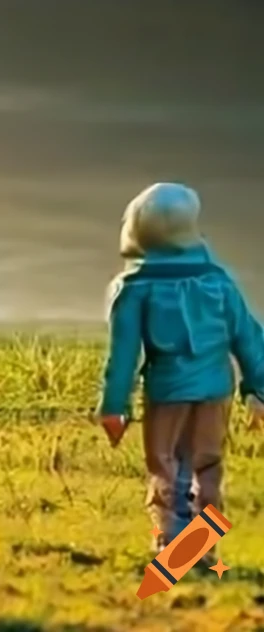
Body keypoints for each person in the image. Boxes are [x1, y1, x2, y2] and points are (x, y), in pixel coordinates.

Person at [97, 182, 264, 557]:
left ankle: (173, 540)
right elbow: (249, 338)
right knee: (207, 464)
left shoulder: (134, 289)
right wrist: (259, 387)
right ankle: (202, 548)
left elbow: (122, 356)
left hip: (167, 391)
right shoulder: (219, 282)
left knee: (167, 465)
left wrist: (114, 406)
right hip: (215, 390)